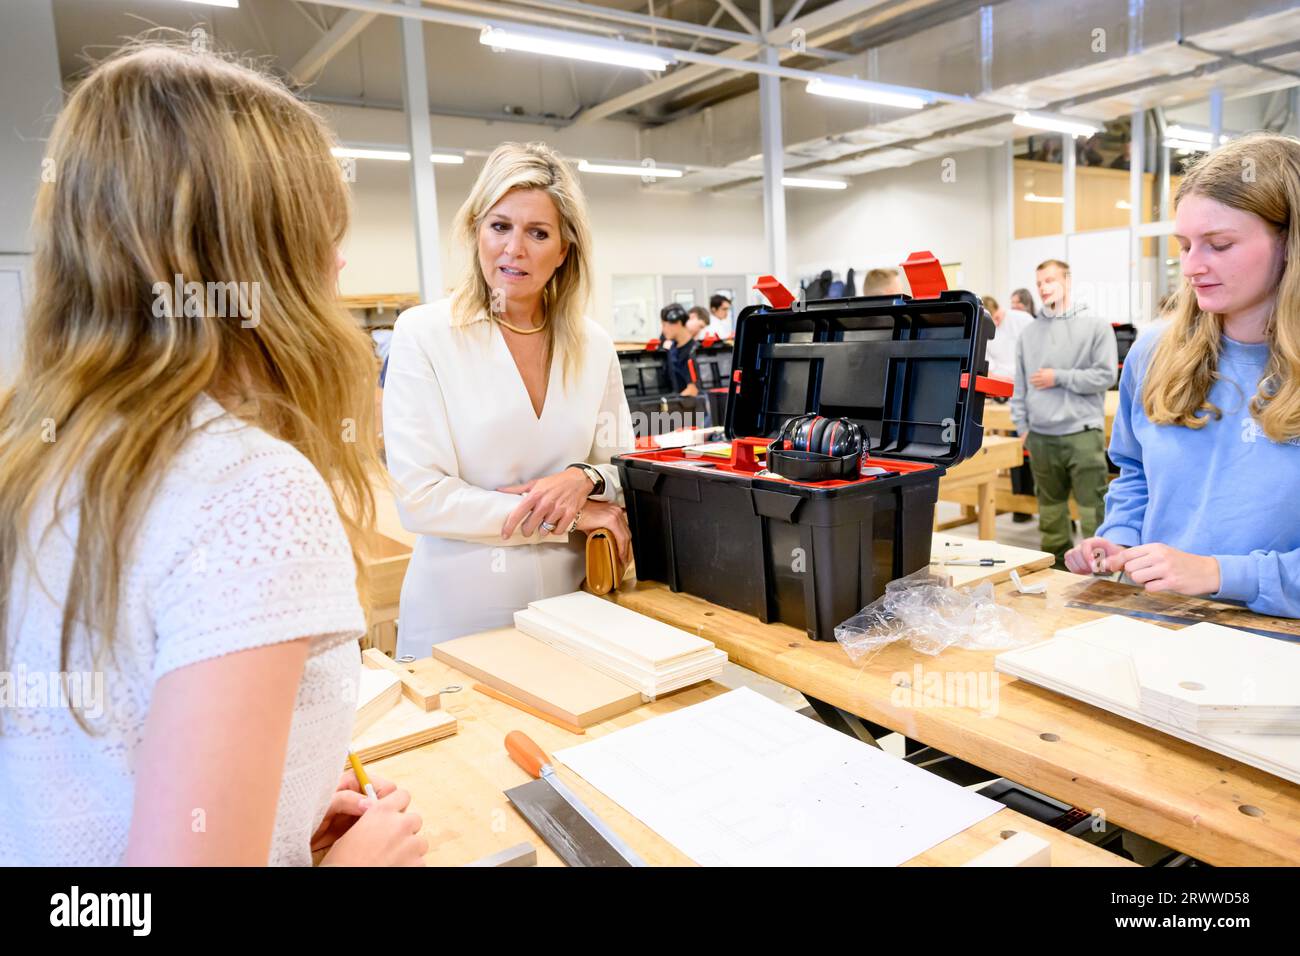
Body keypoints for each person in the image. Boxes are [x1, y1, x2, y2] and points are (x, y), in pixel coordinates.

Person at [0, 42, 425, 866]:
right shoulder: (247, 489)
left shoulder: (36, 454)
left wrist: (278, 814)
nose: (338, 264)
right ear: (247, 259)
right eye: (318, 235)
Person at [383, 142, 635, 657]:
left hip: (578, 606)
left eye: (537, 233)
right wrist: (568, 514)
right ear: (477, 229)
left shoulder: (593, 345)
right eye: (500, 226)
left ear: (564, 251)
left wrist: (583, 478)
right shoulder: (426, 333)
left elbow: (623, 473)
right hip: (459, 616)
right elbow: (423, 499)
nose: (513, 249)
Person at [1065, 133, 1300, 617]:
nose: (1191, 267)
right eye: (1185, 245)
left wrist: (1219, 574)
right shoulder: (1155, 350)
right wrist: (1119, 539)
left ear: (1289, 242)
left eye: (1219, 244)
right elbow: (1134, 474)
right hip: (1159, 616)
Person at [1011, 259, 1118, 568]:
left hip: (1082, 432)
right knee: (1050, 509)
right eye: (1039, 282)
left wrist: (1059, 377)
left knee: (1092, 509)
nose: (1044, 287)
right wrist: (1022, 427)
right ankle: (1056, 568)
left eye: (1050, 280)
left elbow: (1106, 376)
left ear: (1067, 281)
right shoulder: (1029, 334)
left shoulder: (1095, 326)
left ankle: (1100, 568)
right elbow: (1020, 386)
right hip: (1041, 435)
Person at [981, 295, 1034, 383]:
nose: (995, 323)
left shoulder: (1023, 319)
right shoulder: (984, 331)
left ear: (999, 308)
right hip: (1002, 379)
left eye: (997, 318)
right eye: (991, 321)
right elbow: (987, 361)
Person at [659, 302, 700, 397]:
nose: (663, 330)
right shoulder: (671, 350)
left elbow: (693, 390)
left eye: (665, 325)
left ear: (677, 323)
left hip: (689, 408)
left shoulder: (693, 351)